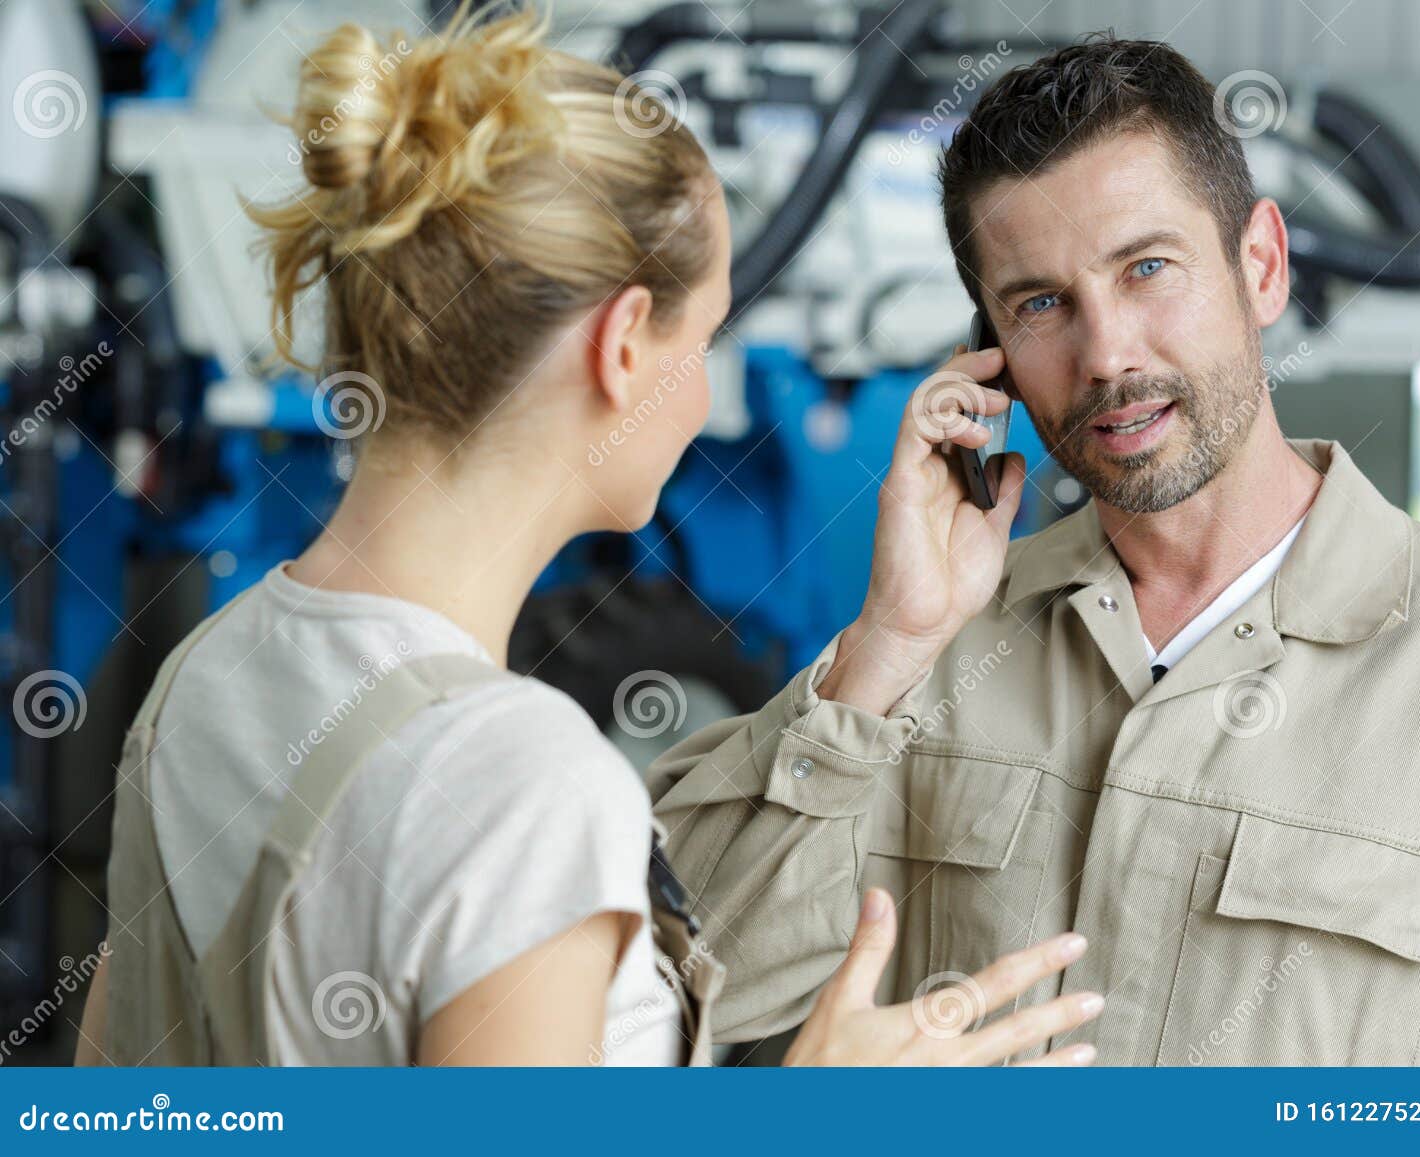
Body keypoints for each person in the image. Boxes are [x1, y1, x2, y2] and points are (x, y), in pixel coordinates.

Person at [73, 5, 1105, 1067]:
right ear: (620, 346)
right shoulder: (523, 783)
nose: (701, 395)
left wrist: (889, 637)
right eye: (701, 338)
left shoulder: (205, 675)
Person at [650, 34, 1420, 1065]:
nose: (1105, 355)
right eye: (1041, 303)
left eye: (1146, 269)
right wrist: (885, 644)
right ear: (993, 354)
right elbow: (670, 996)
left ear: (1262, 267)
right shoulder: (932, 652)